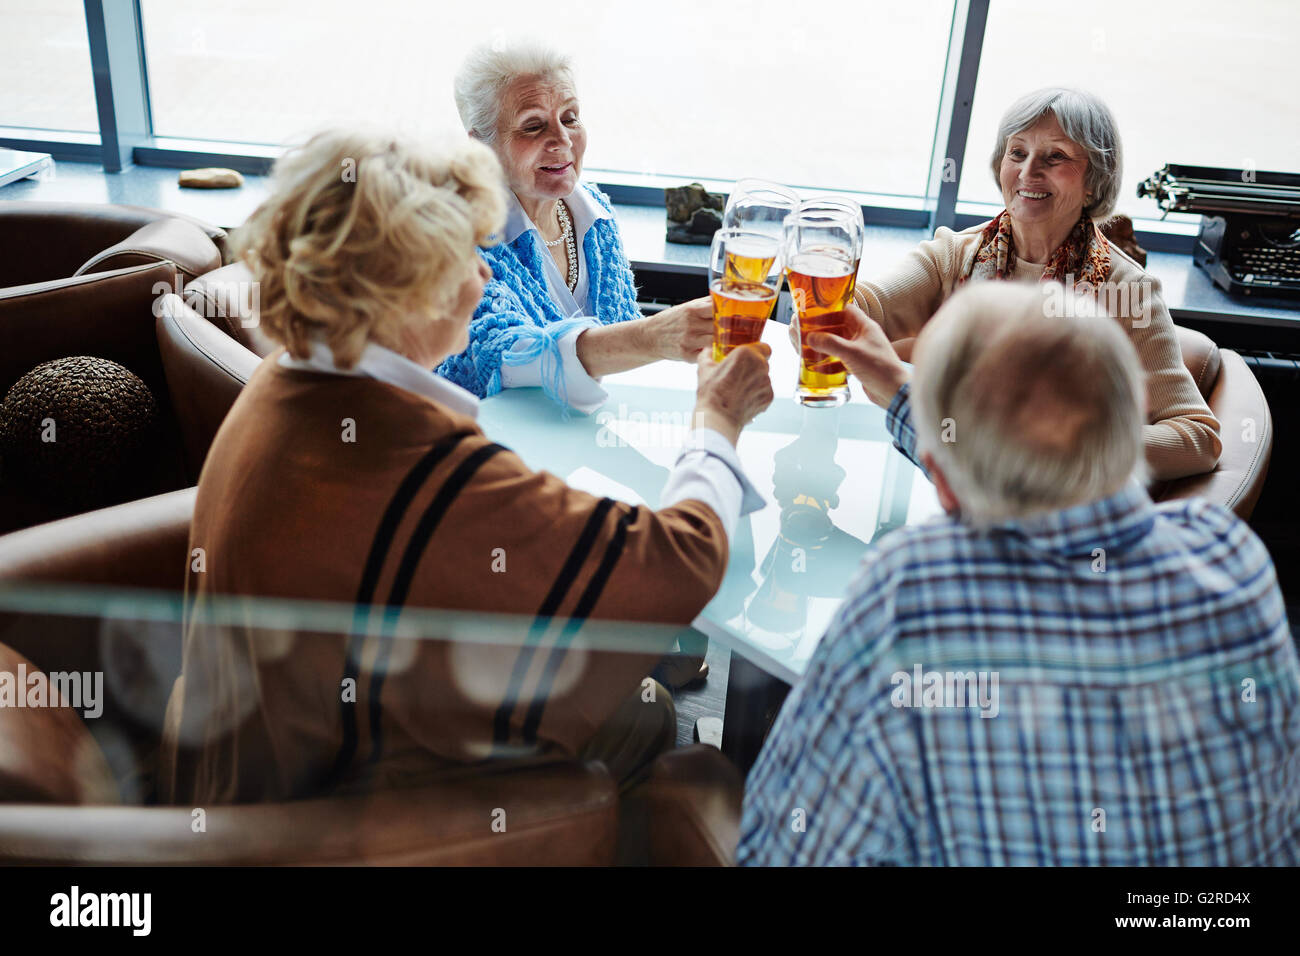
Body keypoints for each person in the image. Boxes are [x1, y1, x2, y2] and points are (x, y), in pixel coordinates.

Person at [159, 129, 773, 805]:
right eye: (464, 258)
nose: (486, 276)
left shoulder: (282, 385)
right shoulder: (418, 463)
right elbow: (677, 562)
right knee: (648, 708)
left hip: (237, 763)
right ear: (404, 290)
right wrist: (717, 419)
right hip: (321, 821)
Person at [738, 283, 1300, 865]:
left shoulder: (909, 594)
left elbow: (784, 852)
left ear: (942, 480)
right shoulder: (1232, 556)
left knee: (692, 784)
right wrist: (908, 399)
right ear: (1132, 413)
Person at [851, 87, 1220, 481]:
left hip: (1052, 514)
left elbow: (1198, 439)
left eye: (1055, 156)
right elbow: (862, 306)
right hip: (936, 484)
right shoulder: (953, 255)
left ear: (1095, 179)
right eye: (1017, 153)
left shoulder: (1129, 290)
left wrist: (1060, 451)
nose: (1028, 173)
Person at [439, 42, 714, 414]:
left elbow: (621, 345)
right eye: (533, 126)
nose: (563, 140)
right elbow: (498, 351)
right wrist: (654, 336)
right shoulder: (457, 234)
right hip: (492, 446)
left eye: (570, 118)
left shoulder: (594, 212)